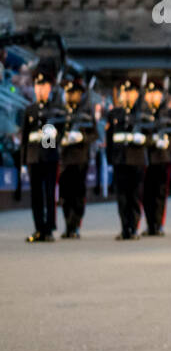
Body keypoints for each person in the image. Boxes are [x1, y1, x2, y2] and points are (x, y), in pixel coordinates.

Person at [19, 69, 63, 243]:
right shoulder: (30, 110)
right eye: (37, 85)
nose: (40, 89)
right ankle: (38, 228)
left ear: (50, 88)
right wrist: (23, 161)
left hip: (49, 157)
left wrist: (49, 133)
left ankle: (49, 228)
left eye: (43, 85)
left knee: (49, 194)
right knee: (36, 195)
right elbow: (24, 137)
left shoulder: (55, 110)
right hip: (33, 157)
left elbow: (57, 135)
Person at [106, 78, 148, 240]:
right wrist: (110, 160)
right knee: (122, 196)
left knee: (135, 195)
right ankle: (125, 227)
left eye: (130, 92)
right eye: (124, 92)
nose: (126, 95)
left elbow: (151, 134)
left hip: (136, 159)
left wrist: (144, 139)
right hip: (119, 160)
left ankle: (134, 226)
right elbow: (110, 140)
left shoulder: (142, 114)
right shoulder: (114, 114)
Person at [58, 78, 96, 239]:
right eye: (68, 93)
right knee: (65, 194)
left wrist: (81, 137)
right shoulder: (59, 111)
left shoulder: (86, 112)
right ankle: (68, 224)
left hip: (80, 158)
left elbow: (94, 134)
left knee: (78, 193)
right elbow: (48, 138)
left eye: (73, 93)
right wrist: (58, 139)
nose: (70, 96)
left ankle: (76, 224)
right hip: (64, 158)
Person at [139, 80, 171, 237]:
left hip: (162, 157)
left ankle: (159, 223)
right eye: (149, 93)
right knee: (147, 193)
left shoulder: (168, 112)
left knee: (160, 193)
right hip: (147, 157)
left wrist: (168, 143)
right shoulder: (142, 112)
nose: (152, 96)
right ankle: (150, 224)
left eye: (155, 93)